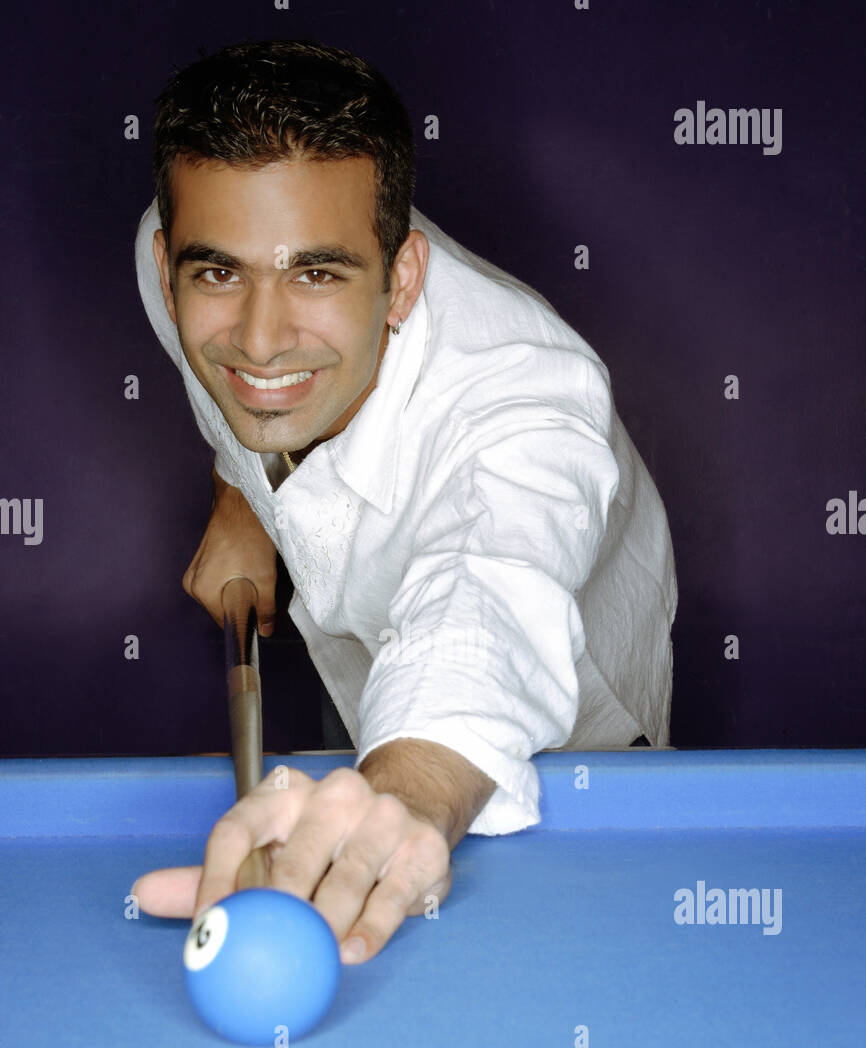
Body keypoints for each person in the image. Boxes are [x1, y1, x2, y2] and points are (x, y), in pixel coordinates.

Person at [131, 38, 677, 965]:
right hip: (379, 715)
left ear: (405, 278)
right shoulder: (167, 264)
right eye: (220, 273)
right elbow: (235, 385)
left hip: (561, 739)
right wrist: (239, 496)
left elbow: (488, 594)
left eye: (318, 273)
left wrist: (407, 790)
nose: (260, 341)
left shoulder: (531, 402)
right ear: (170, 257)